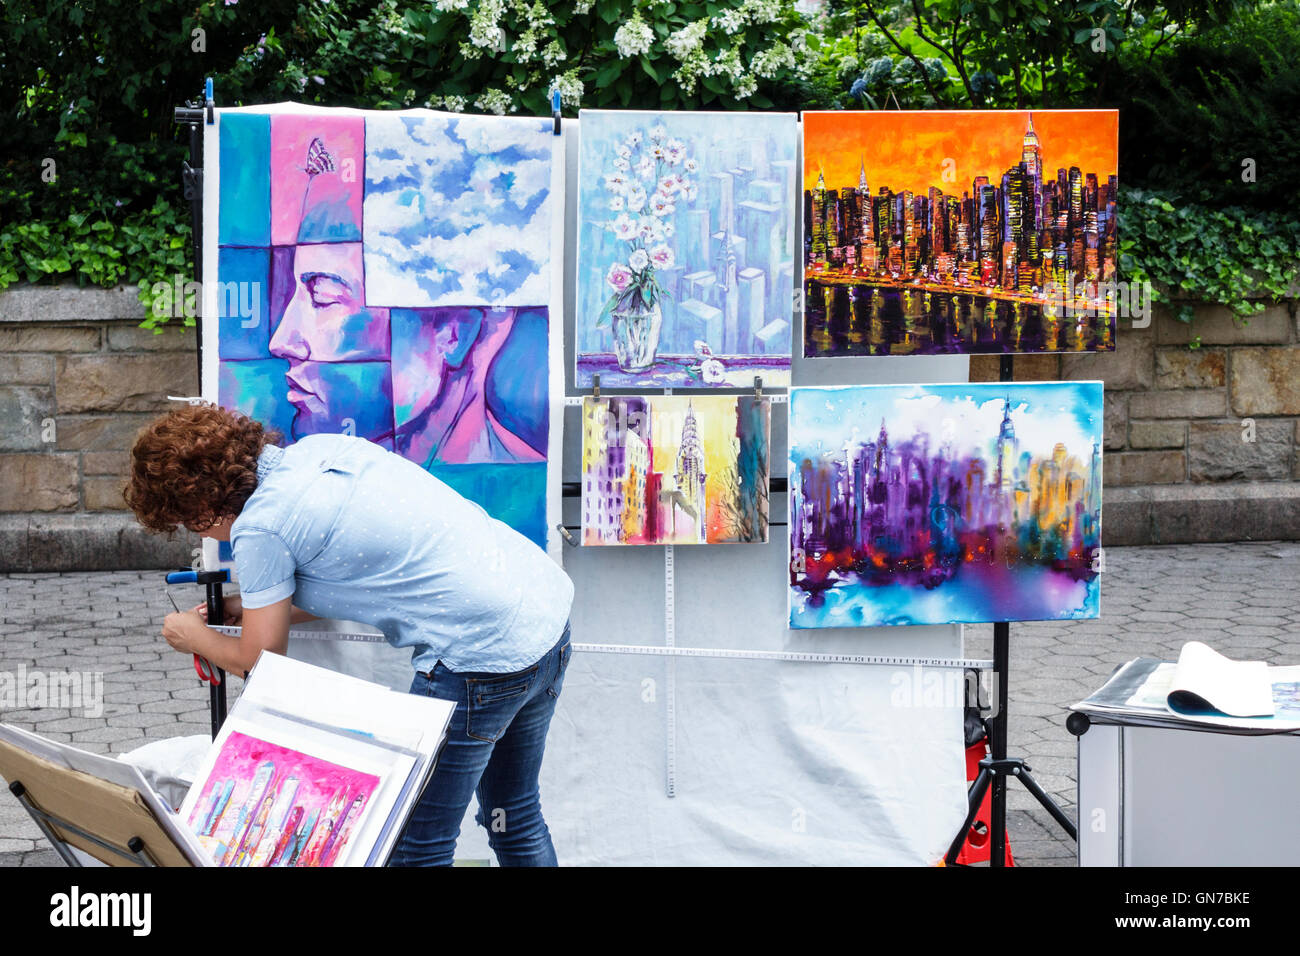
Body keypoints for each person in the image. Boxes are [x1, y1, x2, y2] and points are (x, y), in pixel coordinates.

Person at [124, 402, 575, 867]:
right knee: (513, 814)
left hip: (477, 658)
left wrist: (191, 635)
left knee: (417, 844)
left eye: (187, 521)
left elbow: (259, 661)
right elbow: (353, 575)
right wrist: (256, 606)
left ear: (201, 504)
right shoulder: (322, 453)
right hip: (543, 619)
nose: (202, 532)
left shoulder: (260, 527)